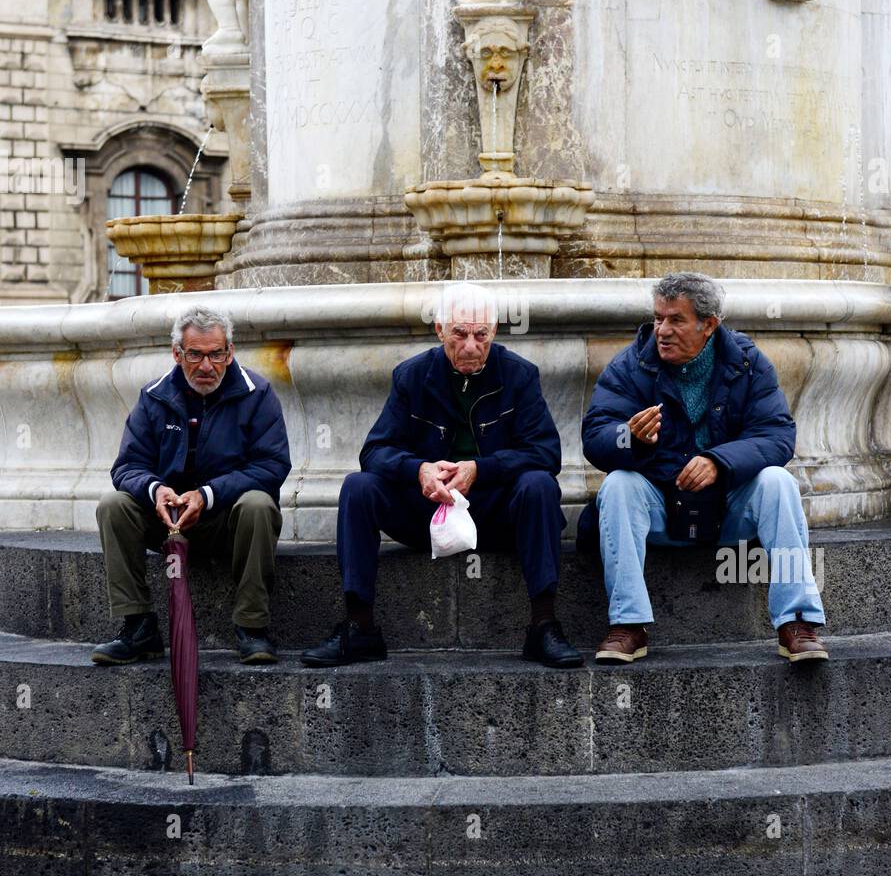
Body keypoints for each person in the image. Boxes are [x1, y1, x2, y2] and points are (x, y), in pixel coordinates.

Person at [301, 282, 582, 669]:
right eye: (459, 334)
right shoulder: (412, 376)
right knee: (358, 487)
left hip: (494, 512)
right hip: (427, 510)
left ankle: (544, 625)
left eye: (481, 335)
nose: (470, 346)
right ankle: (359, 626)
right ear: (439, 330)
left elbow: (546, 453)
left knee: (539, 485)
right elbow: (374, 452)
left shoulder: (520, 375)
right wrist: (419, 470)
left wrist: (480, 469)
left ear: (495, 330)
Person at [581, 272, 827, 664]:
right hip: (661, 507)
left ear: (708, 325)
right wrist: (628, 437)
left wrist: (719, 461)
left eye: (676, 320)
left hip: (727, 509)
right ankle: (628, 625)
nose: (662, 330)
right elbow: (594, 438)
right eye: (659, 317)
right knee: (618, 485)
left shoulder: (747, 362)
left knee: (778, 482)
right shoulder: (631, 364)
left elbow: (778, 435)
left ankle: (796, 621)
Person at [92, 307, 291, 667]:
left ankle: (252, 627)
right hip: (166, 518)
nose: (206, 365)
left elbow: (272, 466)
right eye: (195, 355)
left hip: (225, 521)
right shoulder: (154, 396)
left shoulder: (257, 394)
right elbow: (127, 466)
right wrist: (156, 491)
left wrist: (209, 495)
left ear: (230, 352)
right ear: (177, 354)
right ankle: (138, 625)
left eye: (216, 354)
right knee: (113, 506)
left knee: (259, 505)